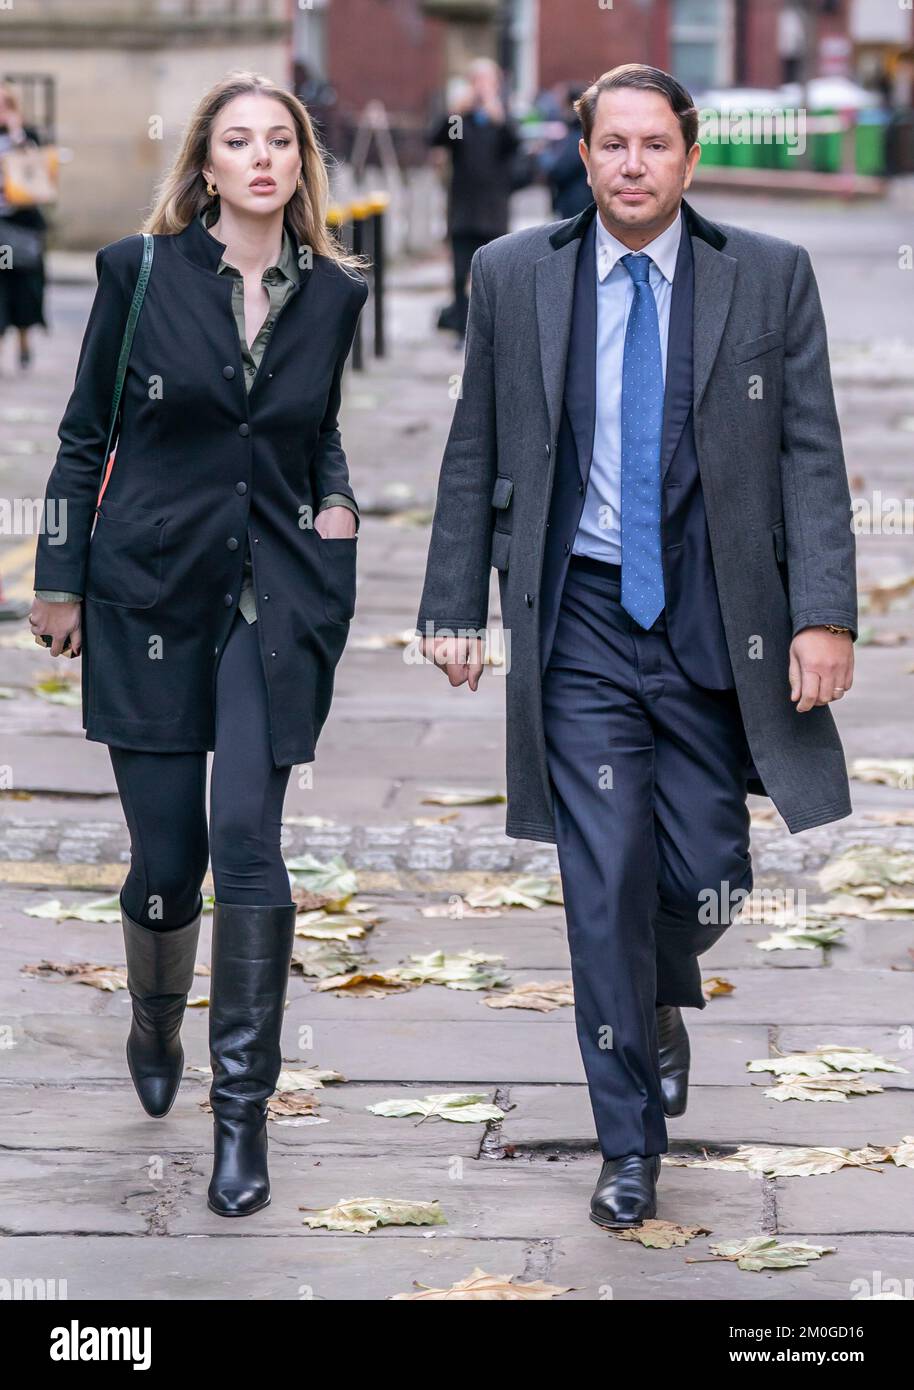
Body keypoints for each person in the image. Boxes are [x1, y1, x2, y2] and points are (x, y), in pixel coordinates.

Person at [415, 63, 856, 1228]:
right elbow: (475, 450)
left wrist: (823, 612)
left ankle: (661, 993)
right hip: (583, 622)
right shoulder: (512, 275)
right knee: (598, 880)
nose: (629, 165)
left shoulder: (766, 276)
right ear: (581, 154)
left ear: (688, 156)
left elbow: (810, 454)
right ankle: (625, 1141)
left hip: (716, 626)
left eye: (652, 145)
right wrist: (452, 601)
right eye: (610, 145)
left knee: (703, 876)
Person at [30, 69, 368, 1218]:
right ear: (207, 163)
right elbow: (85, 436)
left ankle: (241, 1119)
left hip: (272, 599)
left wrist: (337, 513)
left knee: (250, 846)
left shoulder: (332, 291)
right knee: (169, 869)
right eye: (239, 141)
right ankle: (150, 1009)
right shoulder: (137, 273)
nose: (262, 158)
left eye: (280, 140)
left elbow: (314, 432)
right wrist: (56, 576)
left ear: (299, 163)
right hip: (147, 593)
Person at [428, 58, 520, 341]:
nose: (482, 88)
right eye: (476, 81)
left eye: (487, 81)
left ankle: (492, 330)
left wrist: (500, 117)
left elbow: (515, 147)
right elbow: (437, 139)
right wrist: (456, 112)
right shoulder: (461, 121)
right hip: (463, 211)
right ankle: (461, 330)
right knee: (459, 273)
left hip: (493, 212)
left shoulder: (501, 120)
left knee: (493, 274)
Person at [0, 82, 49, 370]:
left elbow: (38, 173)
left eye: (6, 104)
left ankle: (23, 339)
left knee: (25, 288)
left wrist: (17, 133)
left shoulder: (27, 136)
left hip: (23, 225)